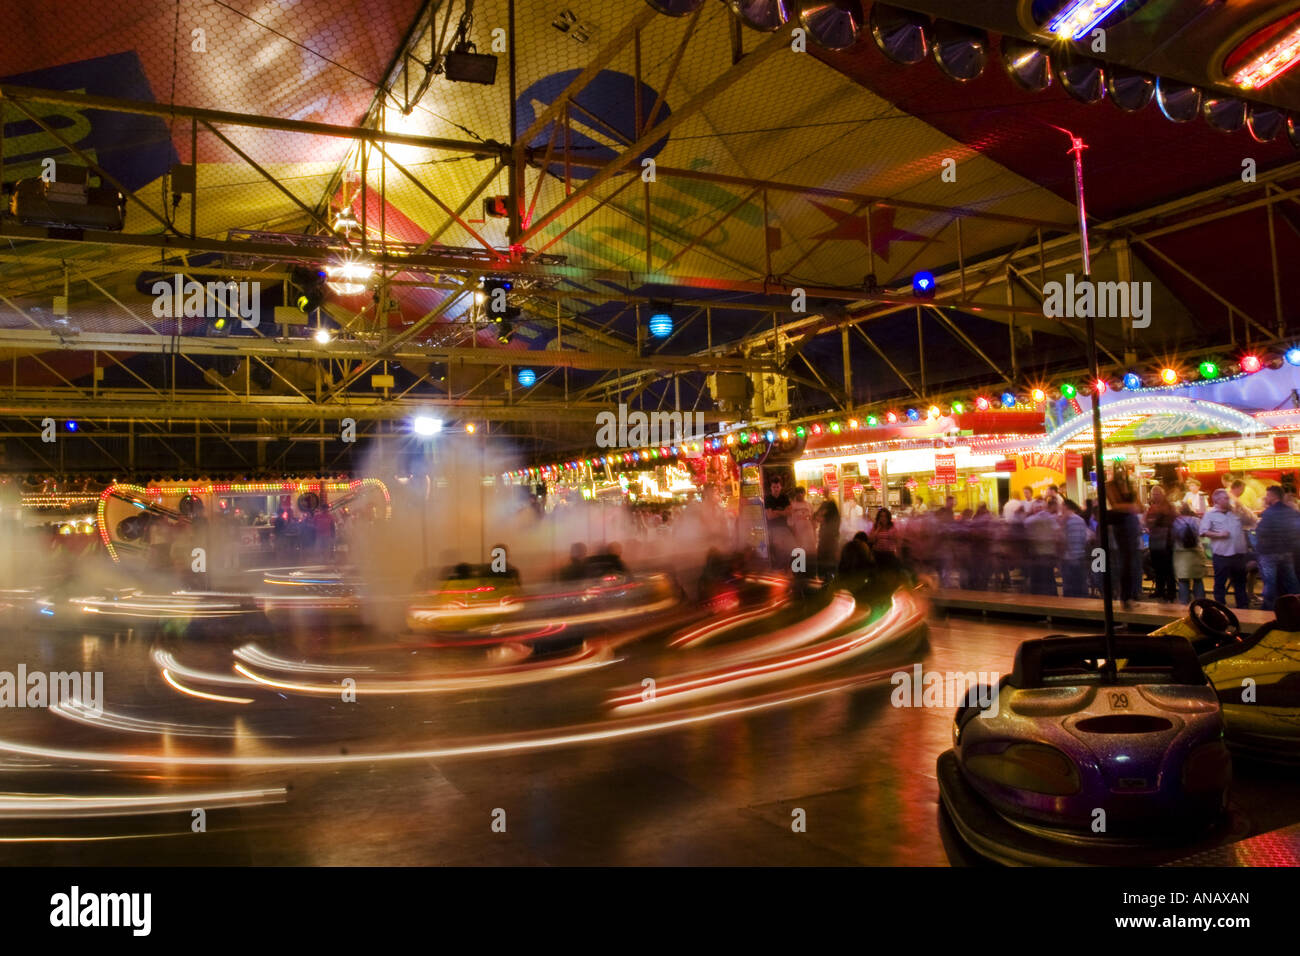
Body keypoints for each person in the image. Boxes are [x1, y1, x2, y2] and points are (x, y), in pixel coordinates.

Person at [1200, 489, 1256, 609]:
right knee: (1220, 582)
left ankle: (1243, 607)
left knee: (1240, 582)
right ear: (1217, 500)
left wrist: (1242, 507)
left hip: (1238, 554)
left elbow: (1252, 521)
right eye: (1225, 498)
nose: (1228, 500)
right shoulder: (1210, 514)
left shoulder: (1236, 512)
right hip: (1222, 554)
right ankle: (1220, 607)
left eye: (1228, 498)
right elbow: (1203, 532)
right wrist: (1219, 535)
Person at [1254, 485, 1300, 612]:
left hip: (1269, 553)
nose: (1266, 497)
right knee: (1291, 581)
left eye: (1268, 495)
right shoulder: (1291, 511)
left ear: (1273, 496)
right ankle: (1296, 606)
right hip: (1287, 552)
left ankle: (1269, 609)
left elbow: (1260, 532)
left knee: (1270, 583)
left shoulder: (1269, 513)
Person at [1106, 465, 1143, 607]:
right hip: (1122, 524)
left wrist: (1129, 507)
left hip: (1128, 523)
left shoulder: (1127, 485)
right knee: (1125, 561)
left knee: (1131, 561)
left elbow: (1139, 507)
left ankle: (1130, 595)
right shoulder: (1111, 486)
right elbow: (1117, 506)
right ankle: (1126, 595)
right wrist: (1130, 507)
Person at [1144, 485, 1177, 603]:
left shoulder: (1168, 507)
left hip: (1166, 541)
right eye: (1153, 494)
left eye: (1157, 494)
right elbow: (1147, 521)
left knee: (1168, 568)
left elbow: (1172, 521)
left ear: (1162, 494)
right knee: (1157, 567)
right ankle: (1160, 590)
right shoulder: (1152, 507)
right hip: (1155, 540)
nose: (1155, 496)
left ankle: (1171, 592)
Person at [1172, 503, 1209, 605]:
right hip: (1196, 553)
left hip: (1180, 555)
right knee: (1198, 580)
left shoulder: (1175, 522)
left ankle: (1184, 605)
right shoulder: (1196, 521)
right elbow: (1203, 535)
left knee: (1183, 581)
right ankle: (1201, 604)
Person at [1024, 499, 1061, 596]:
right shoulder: (1051, 519)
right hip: (1049, 554)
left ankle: (1038, 604)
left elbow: (1026, 537)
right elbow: (1057, 534)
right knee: (1049, 579)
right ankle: (1053, 601)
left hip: (1036, 555)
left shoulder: (1030, 520)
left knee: (1037, 582)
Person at [1060, 500, 1091, 598]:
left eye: (1062, 506)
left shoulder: (1064, 521)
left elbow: (1062, 539)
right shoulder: (1080, 520)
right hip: (1080, 555)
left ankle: (1070, 607)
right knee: (1081, 583)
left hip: (1067, 557)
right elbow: (1085, 537)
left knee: (1069, 586)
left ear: (1066, 506)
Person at [764, 475, 793, 569]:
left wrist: (776, 511)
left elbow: (789, 512)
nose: (776, 489)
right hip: (773, 529)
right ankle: (779, 571)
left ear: (781, 487)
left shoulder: (784, 497)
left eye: (777, 487)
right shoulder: (767, 499)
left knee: (791, 549)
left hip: (784, 528)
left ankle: (786, 570)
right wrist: (783, 512)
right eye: (773, 487)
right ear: (770, 488)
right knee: (779, 551)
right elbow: (770, 516)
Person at [814, 499, 841, 579]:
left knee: (828, 566)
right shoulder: (829, 519)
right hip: (825, 544)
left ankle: (826, 580)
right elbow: (815, 516)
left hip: (830, 544)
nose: (823, 511)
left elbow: (817, 518)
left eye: (825, 508)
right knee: (825, 567)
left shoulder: (832, 520)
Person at [788, 487, 816, 558]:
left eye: (801, 492)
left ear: (804, 493)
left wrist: (814, 532)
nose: (800, 494)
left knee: (810, 553)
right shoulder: (791, 506)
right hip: (798, 533)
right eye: (798, 493)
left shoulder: (809, 505)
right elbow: (790, 521)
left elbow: (813, 520)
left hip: (809, 533)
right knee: (799, 553)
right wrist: (793, 532)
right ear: (795, 494)